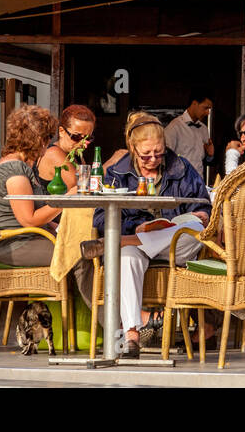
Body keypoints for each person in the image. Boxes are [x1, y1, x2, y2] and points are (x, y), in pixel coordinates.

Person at [84, 112, 210, 358]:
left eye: (159, 153)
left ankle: (119, 243)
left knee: (193, 229)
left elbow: (204, 207)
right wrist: (138, 227)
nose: (153, 159)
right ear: (132, 148)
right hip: (141, 244)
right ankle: (132, 334)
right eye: (146, 155)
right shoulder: (116, 173)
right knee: (127, 257)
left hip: (175, 246)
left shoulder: (182, 169)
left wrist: (201, 215)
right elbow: (100, 217)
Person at [0, 106, 63, 267]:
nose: (49, 143)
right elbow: (29, 220)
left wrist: (58, 227)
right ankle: (94, 293)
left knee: (83, 245)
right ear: (39, 140)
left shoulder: (22, 166)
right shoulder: (14, 170)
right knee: (79, 253)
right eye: (48, 137)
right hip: (12, 245)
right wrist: (66, 200)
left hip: (24, 240)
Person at [35, 104, 94, 192]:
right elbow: (80, 187)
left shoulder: (75, 154)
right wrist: (110, 164)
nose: (83, 143)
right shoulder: (53, 153)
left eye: (87, 138)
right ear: (62, 132)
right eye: (76, 137)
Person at [165, 91, 214, 178]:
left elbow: (204, 161)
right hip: (181, 182)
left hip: (199, 181)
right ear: (194, 103)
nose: (208, 113)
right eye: (205, 108)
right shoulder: (174, 127)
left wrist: (210, 155)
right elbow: (166, 158)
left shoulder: (204, 129)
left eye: (209, 109)